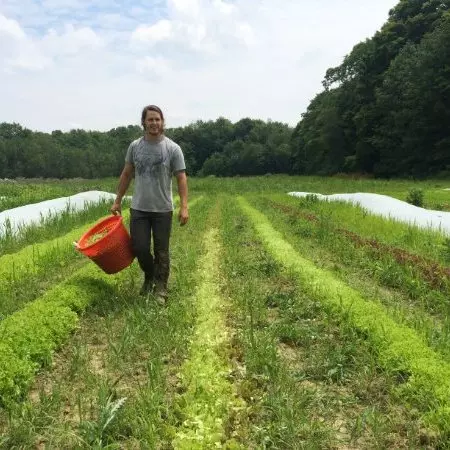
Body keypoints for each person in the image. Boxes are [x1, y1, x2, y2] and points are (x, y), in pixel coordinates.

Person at [111, 105, 189, 304]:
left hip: (163, 209)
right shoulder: (135, 147)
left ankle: (161, 288)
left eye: (157, 119)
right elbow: (127, 173)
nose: (154, 123)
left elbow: (181, 178)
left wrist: (184, 206)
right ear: (143, 122)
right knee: (139, 247)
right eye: (150, 119)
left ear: (163, 122)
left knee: (162, 250)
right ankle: (150, 276)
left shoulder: (172, 148)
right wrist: (118, 200)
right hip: (139, 208)